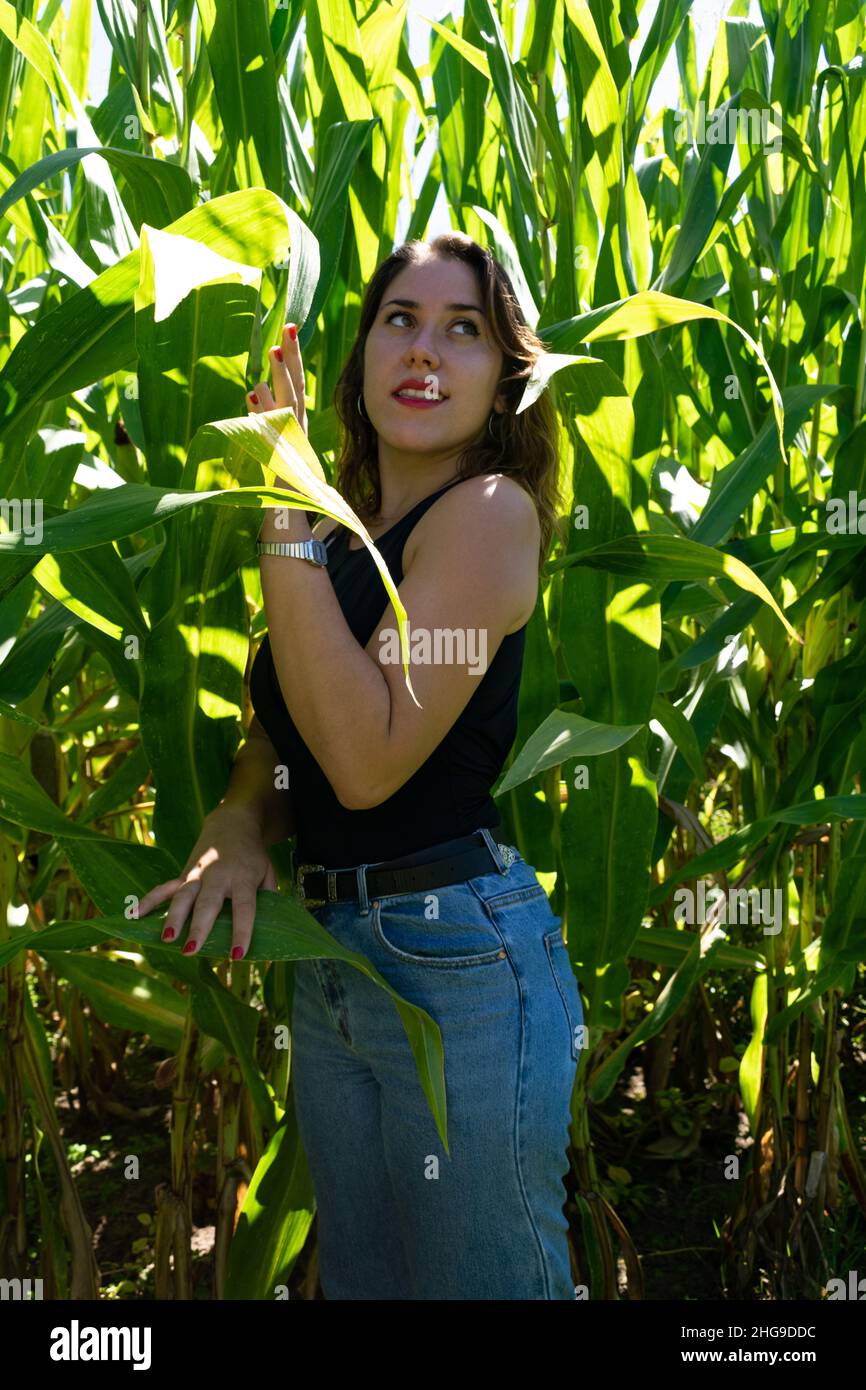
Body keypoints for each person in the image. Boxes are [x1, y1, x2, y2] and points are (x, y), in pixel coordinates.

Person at [138, 232, 585, 1300]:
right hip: (334, 958)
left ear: (506, 381)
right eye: (400, 320)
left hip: (457, 968)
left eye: (462, 330)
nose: (423, 349)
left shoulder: (486, 515)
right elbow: (281, 738)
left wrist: (282, 512)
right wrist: (238, 829)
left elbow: (367, 760)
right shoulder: (342, 547)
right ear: (361, 358)